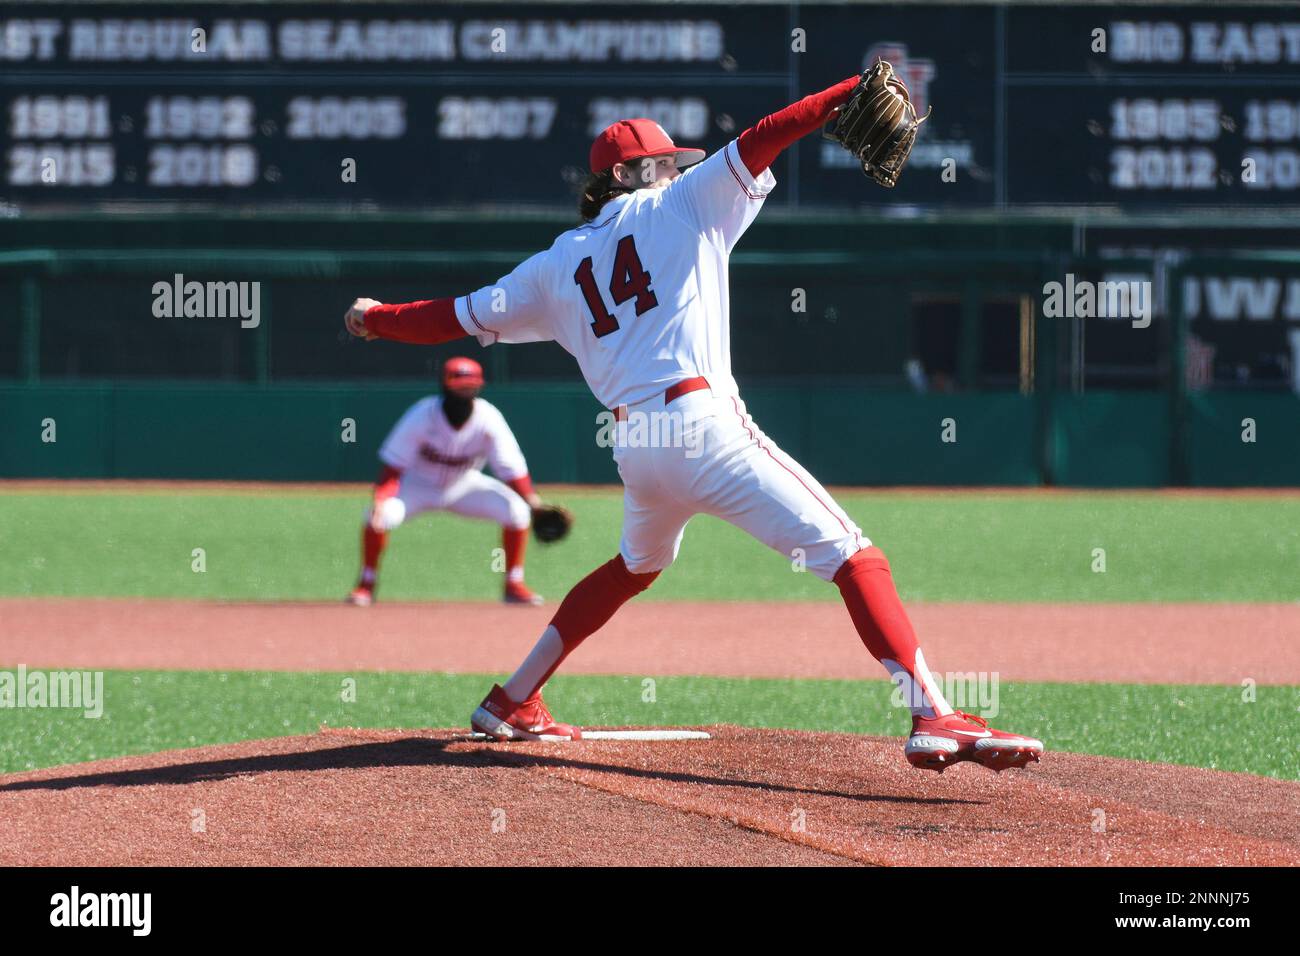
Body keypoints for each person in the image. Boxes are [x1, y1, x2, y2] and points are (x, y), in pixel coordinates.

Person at [344, 76, 1044, 772]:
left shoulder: (552, 266)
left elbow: (452, 316)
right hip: (702, 425)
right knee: (856, 556)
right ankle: (931, 713)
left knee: (634, 566)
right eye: (665, 158)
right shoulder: (681, 201)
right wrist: (845, 93)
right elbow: (767, 132)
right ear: (626, 172)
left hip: (638, 445)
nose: (678, 165)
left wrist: (374, 319)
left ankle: (512, 699)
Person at [347, 356, 545, 607]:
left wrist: (533, 502)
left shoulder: (488, 417)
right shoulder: (422, 414)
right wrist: (380, 499)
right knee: (377, 516)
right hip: (418, 486)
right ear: (445, 385)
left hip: (464, 486)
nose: (465, 391)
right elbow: (393, 467)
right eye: (459, 385)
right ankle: (366, 584)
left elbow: (510, 469)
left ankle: (514, 584)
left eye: (470, 386)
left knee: (517, 510)